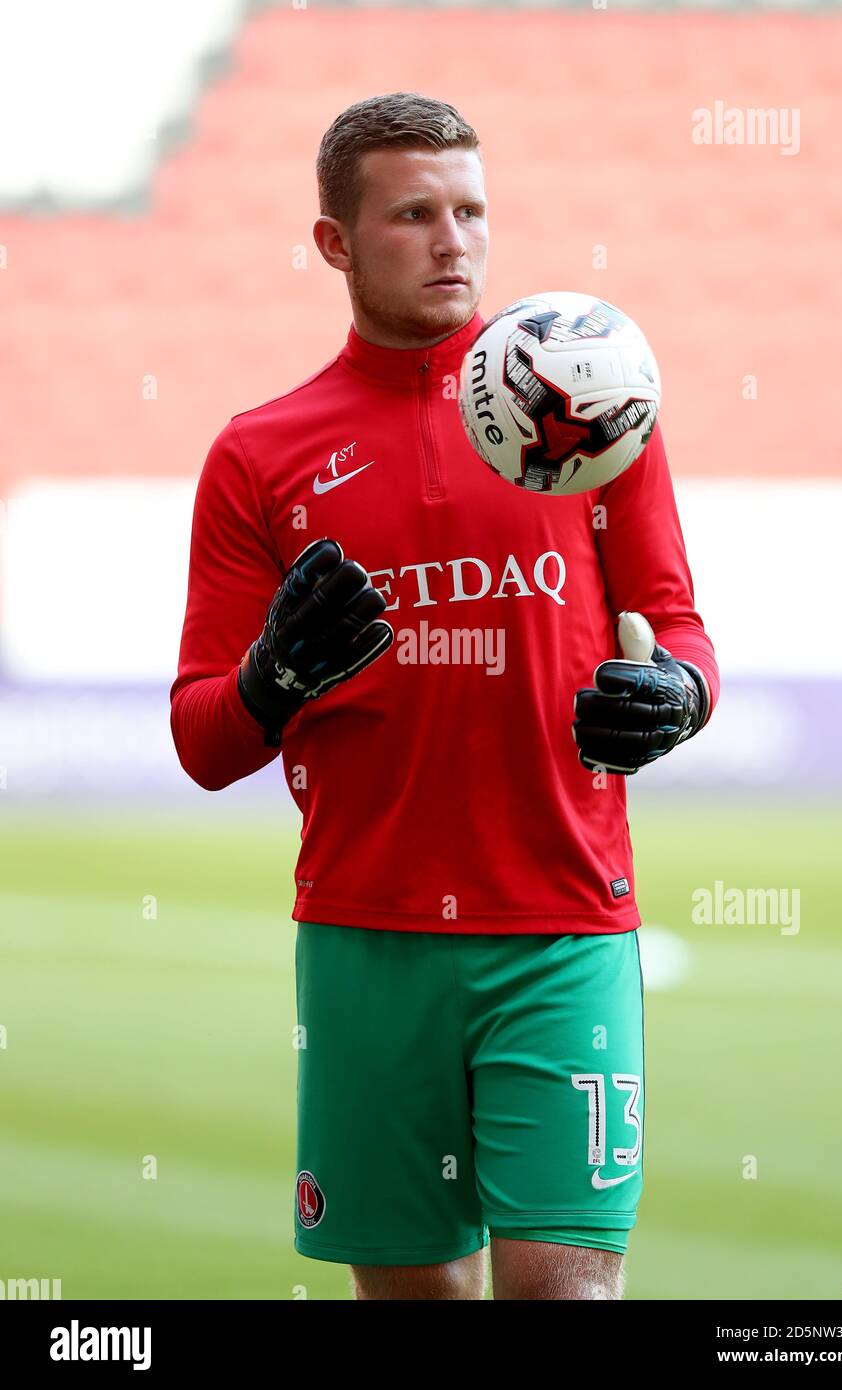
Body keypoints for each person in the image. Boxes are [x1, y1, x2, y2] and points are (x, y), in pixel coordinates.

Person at [170, 91, 719, 1301]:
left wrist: (673, 693)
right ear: (335, 242)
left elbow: (678, 630)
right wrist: (269, 678)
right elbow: (204, 740)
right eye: (413, 214)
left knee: (560, 1288)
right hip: (367, 936)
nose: (452, 240)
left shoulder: (591, 403)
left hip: (562, 921)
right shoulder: (259, 453)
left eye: (469, 209)